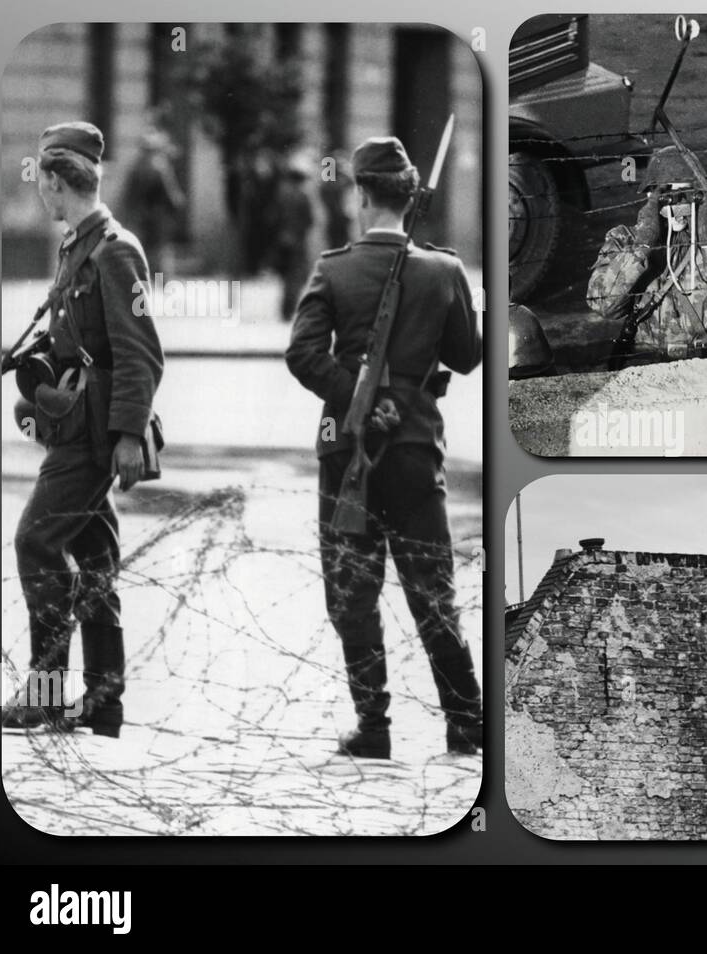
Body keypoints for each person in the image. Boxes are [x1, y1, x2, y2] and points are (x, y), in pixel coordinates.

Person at [285, 135, 483, 759]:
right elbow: (467, 356)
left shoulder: (335, 268)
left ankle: (373, 726)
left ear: (362, 195)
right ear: (410, 196)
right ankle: (467, 721)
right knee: (433, 593)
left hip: (346, 452)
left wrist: (356, 397)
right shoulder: (444, 269)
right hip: (416, 451)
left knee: (353, 591)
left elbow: (303, 354)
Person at [3, 121, 165, 739]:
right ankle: (103, 699)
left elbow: (140, 353)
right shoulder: (80, 245)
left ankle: (46, 693)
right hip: (78, 425)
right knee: (94, 558)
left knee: (35, 542)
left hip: (94, 436)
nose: (39, 192)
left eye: (41, 180)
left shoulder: (115, 249)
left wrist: (126, 436)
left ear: (54, 180)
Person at [587, 144, 707, 368]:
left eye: (687, 194)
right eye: (668, 193)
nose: (679, 204)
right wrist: (642, 245)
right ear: (651, 195)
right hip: (645, 366)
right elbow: (604, 306)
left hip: (705, 365)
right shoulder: (624, 239)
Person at [120, 129, 186, 276]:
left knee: (141, 251)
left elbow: (128, 196)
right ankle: (164, 285)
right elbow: (173, 198)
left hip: (140, 217)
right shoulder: (160, 168)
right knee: (161, 252)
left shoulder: (135, 168)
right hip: (159, 218)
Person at [271, 156, 316, 321]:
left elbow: (272, 217)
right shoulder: (302, 195)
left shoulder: (280, 193)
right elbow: (310, 220)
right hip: (297, 240)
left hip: (281, 239)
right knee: (296, 276)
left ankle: (284, 309)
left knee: (285, 277)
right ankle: (288, 310)